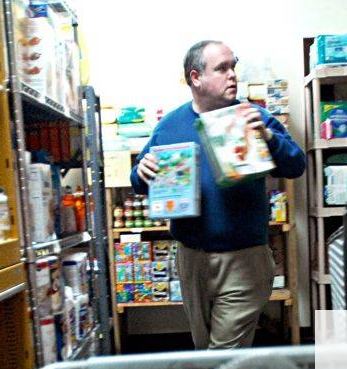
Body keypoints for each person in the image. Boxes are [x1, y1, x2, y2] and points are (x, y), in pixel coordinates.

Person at [130, 40, 306, 350]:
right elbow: (141, 183)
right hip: (190, 258)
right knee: (206, 352)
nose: (232, 75)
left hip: (244, 258)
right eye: (222, 69)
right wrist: (141, 171)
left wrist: (267, 138)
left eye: (233, 67)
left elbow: (296, 165)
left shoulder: (254, 117)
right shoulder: (170, 126)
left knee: (223, 354)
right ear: (195, 77)